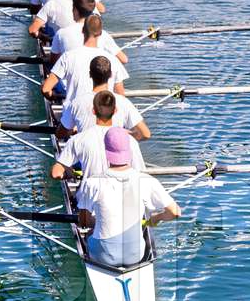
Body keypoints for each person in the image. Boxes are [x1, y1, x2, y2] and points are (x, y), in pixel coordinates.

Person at [74, 127, 181, 268]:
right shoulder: (147, 180)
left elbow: (84, 221)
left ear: (106, 153)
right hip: (135, 255)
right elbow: (175, 212)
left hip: (104, 256)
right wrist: (155, 218)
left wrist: (100, 222)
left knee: (90, 234)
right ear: (129, 153)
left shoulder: (92, 183)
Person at [52, 92, 145, 181]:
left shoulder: (77, 139)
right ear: (115, 110)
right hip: (122, 194)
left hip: (91, 194)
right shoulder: (130, 140)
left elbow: (56, 173)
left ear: (93, 111)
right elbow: (140, 174)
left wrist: (73, 174)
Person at [42, 12, 128, 103]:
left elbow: (45, 89)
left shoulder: (68, 57)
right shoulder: (112, 60)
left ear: (83, 31)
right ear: (100, 33)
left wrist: (53, 96)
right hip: (103, 113)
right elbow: (121, 98)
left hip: (73, 114)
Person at [61, 55, 150, 138]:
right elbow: (145, 134)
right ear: (111, 75)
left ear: (90, 74)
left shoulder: (77, 102)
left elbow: (61, 133)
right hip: (114, 152)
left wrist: (74, 131)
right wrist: (122, 135)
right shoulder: (123, 102)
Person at [28, 0, 93, 41]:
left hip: (59, 43)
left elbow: (32, 30)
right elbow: (102, 10)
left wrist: (43, 37)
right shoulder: (87, 3)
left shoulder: (51, 4)